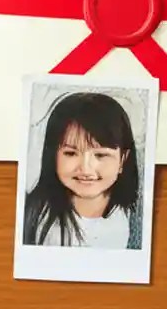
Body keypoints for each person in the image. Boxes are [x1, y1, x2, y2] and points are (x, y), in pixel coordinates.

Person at [22, 92, 141, 249]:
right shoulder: (33, 216)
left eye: (100, 155)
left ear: (122, 160)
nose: (85, 168)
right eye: (71, 153)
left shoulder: (133, 218)